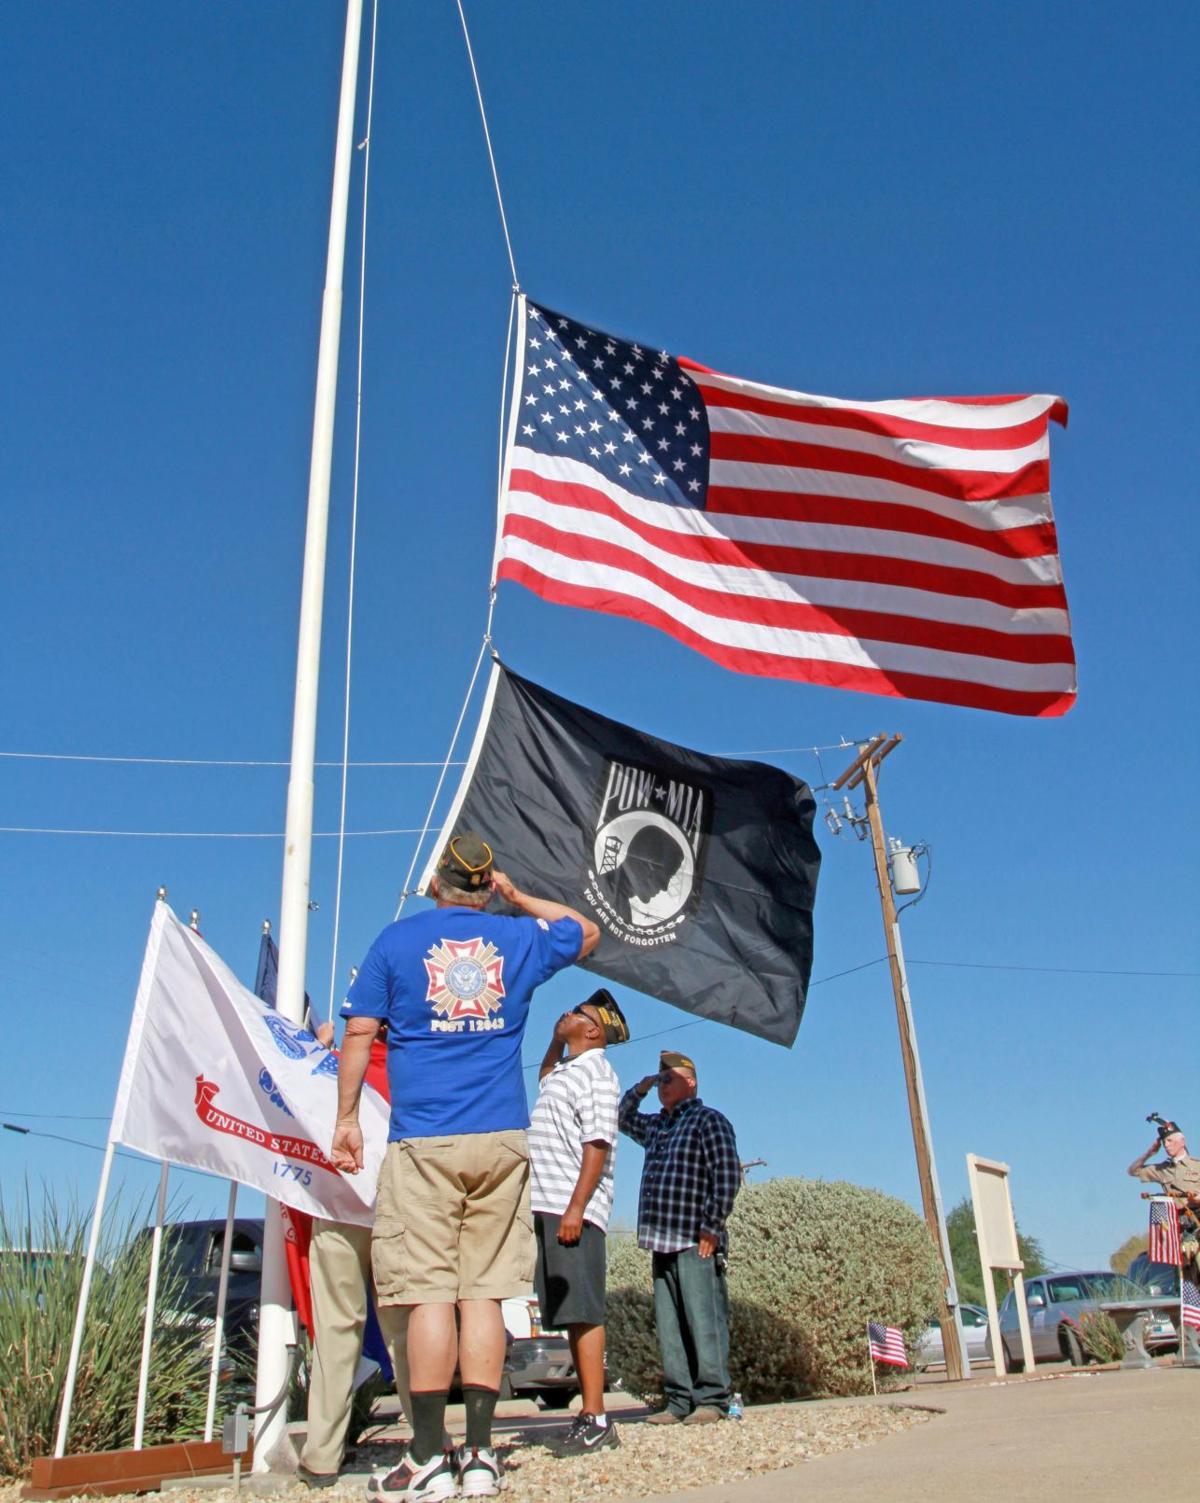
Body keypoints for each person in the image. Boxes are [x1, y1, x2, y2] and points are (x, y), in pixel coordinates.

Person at [330, 832, 599, 1503]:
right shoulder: (516, 941)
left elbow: (358, 1030)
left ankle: (427, 1456)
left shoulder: (396, 941)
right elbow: (584, 930)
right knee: (484, 1294)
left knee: (429, 1294)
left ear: (436, 883)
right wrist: (516, 896)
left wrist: (346, 1119)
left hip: (425, 1139)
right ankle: (479, 1454)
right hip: (502, 1136)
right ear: (485, 885)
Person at [298, 1022, 415, 1488]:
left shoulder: (336, 1062)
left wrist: (316, 1049)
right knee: (406, 1325)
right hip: (399, 1198)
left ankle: (322, 1454)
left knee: (335, 1327)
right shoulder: (417, 1057)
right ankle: (427, 1440)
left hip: (343, 1197)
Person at [528, 986, 628, 1457]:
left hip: (575, 1211)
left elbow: (598, 1141)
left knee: (584, 1310)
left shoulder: (598, 1073)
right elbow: (546, 1075)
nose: (566, 1012)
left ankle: (597, 1417)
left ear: (593, 1030)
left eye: (578, 1012)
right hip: (550, 1206)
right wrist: (554, 1040)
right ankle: (587, 1415)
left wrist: (576, 1207)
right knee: (568, 1312)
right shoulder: (567, 1069)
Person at [618, 1050, 739, 1425]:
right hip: (660, 1239)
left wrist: (712, 1226)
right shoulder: (656, 1126)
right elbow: (622, 1119)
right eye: (659, 1079)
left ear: (690, 1082)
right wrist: (639, 1090)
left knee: (704, 1320)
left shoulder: (708, 1121)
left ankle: (713, 1399)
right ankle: (678, 1400)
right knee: (670, 1326)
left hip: (694, 1237)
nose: (661, 1085)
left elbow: (726, 1175)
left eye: (668, 1078)